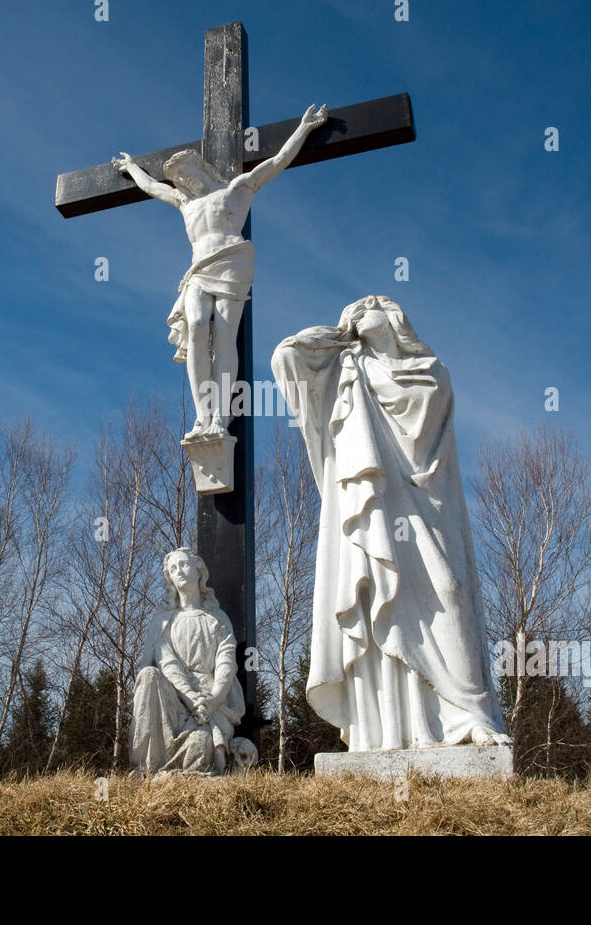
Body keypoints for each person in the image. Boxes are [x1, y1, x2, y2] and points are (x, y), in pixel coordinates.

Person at [271, 297, 510, 751]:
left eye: (370, 306)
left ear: (396, 318)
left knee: (450, 594)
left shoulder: (429, 371)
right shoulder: (347, 368)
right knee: (377, 596)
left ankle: (467, 716)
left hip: (425, 509)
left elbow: (429, 426)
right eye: (353, 310)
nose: (359, 311)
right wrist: (337, 335)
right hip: (372, 511)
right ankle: (383, 733)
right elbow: (286, 358)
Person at [112, 103, 329, 442]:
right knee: (197, 327)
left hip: (232, 262)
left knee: (225, 335)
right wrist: (132, 167)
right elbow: (153, 188)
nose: (182, 181)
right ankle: (202, 415)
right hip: (198, 269)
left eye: (186, 173)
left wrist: (303, 128)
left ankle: (220, 417)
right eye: (178, 178)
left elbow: (276, 162)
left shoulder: (236, 190)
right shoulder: (185, 203)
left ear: (201, 168)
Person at [130, 548, 244, 774]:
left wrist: (212, 700)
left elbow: (226, 663)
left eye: (183, 564)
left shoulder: (217, 619)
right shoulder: (163, 621)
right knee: (148, 676)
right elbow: (167, 664)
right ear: (169, 579)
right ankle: (146, 768)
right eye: (173, 568)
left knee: (199, 749)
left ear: (198, 569)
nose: (178, 571)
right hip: (173, 700)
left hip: (210, 704)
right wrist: (190, 698)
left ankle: (179, 772)